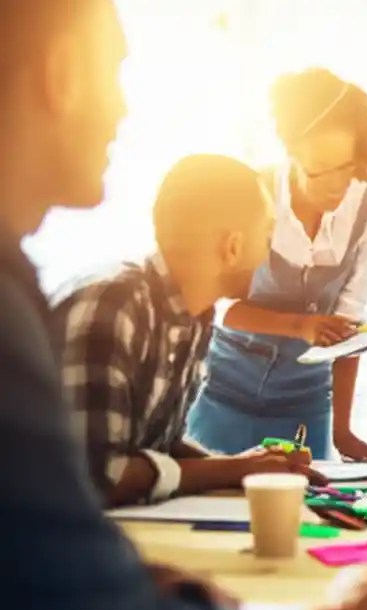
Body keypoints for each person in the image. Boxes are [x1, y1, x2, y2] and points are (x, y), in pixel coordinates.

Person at [0, 0, 367, 610]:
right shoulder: (77, 306)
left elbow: (43, 553)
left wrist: (124, 577)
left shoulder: (31, 290)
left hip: (297, 392)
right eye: (114, 76)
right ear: (62, 73)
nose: (123, 110)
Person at [51, 154, 327, 508]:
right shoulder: (112, 305)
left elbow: (154, 447)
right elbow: (100, 476)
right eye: (268, 233)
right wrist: (233, 470)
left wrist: (247, 466)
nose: (269, 251)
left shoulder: (194, 315)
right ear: (233, 247)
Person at [187, 68, 367, 463]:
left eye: (346, 167)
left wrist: (343, 433)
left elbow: (347, 323)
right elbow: (217, 306)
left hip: (304, 404)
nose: (336, 184)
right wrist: (299, 326)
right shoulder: (253, 192)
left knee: (306, 516)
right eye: (319, 170)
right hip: (222, 395)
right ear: (290, 154)